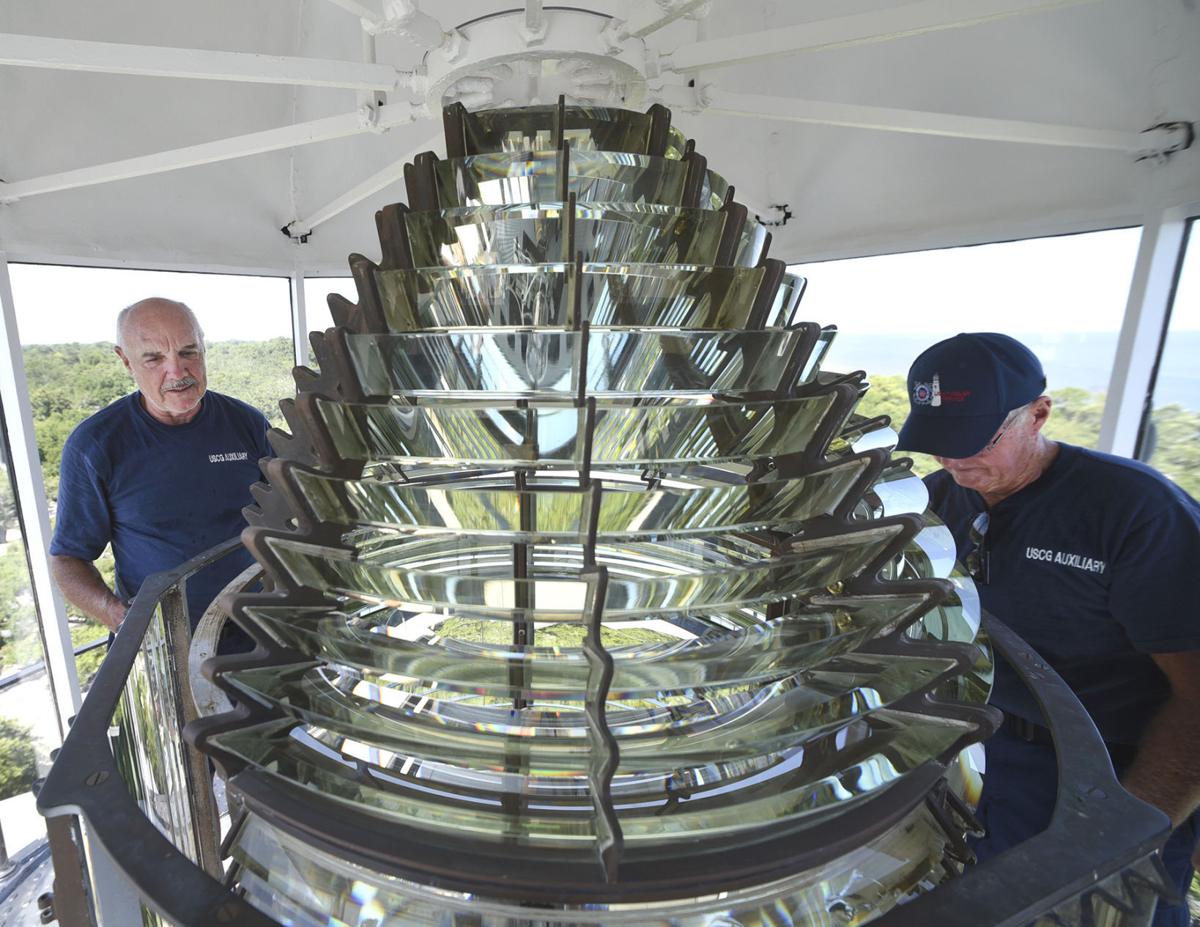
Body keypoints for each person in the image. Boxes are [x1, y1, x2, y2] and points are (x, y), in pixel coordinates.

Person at [894, 332, 1200, 925]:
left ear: (1038, 414)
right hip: (988, 761)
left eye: (976, 439)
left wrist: (1125, 825)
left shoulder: (1136, 513)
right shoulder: (937, 501)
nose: (955, 462)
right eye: (938, 444)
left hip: (1115, 774)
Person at [49, 297, 271, 636]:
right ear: (125, 360)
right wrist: (120, 617)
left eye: (188, 352)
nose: (177, 372)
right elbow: (68, 559)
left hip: (255, 629)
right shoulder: (95, 445)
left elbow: (284, 519)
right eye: (154, 358)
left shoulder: (248, 424)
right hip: (165, 643)